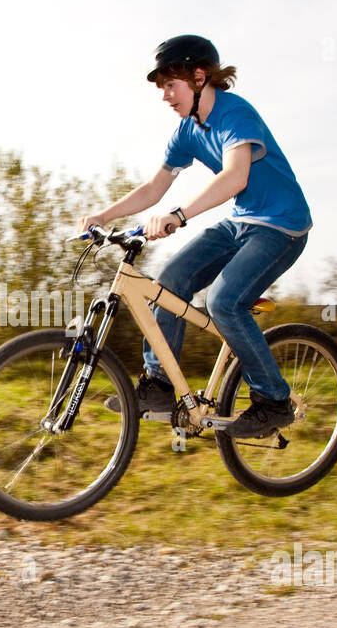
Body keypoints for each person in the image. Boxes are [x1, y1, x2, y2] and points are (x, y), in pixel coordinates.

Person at [77, 34, 312, 439]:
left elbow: (236, 177)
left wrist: (179, 216)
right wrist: (103, 214)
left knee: (224, 301)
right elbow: (154, 189)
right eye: (162, 87)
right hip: (241, 223)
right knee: (168, 283)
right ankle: (159, 386)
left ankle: (273, 400)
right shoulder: (187, 130)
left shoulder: (237, 115)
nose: (165, 96)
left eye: (172, 85)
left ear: (199, 77)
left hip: (282, 225)